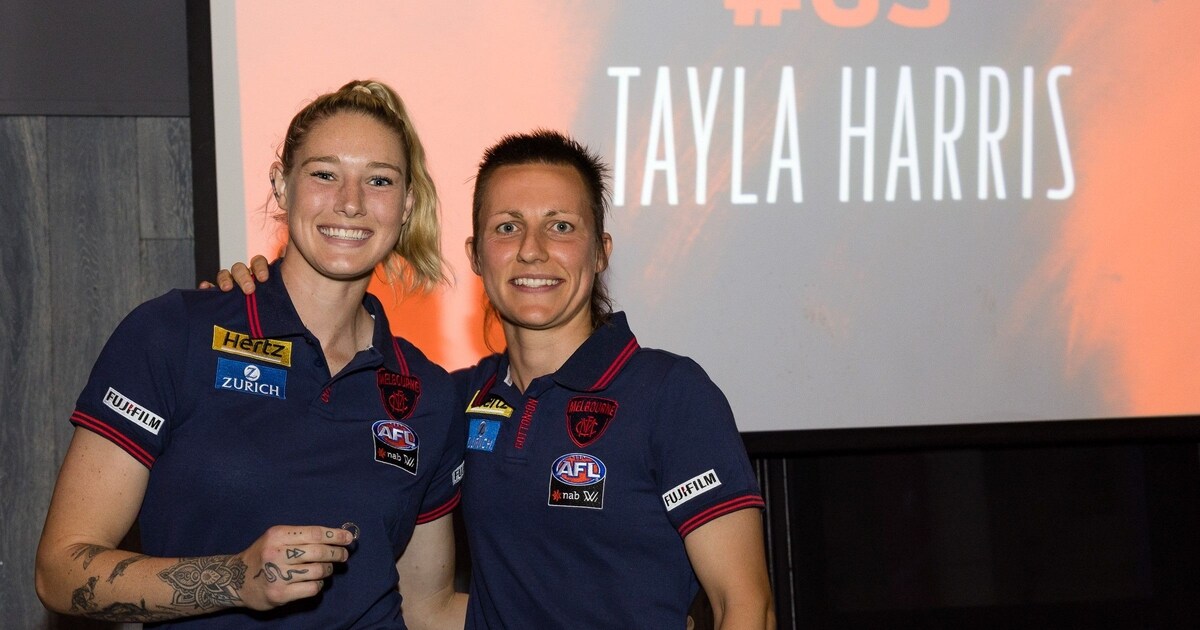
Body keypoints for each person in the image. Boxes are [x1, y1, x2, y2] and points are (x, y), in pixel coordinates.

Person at [220, 130, 776, 628]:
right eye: (507, 227)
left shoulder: (670, 393)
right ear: (477, 256)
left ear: (602, 251)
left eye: (561, 226)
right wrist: (248, 299)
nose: (532, 250)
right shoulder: (451, 401)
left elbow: (744, 606)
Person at [35, 80, 466, 629]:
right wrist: (233, 580)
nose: (351, 202)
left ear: (406, 205)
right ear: (281, 187)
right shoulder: (175, 333)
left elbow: (428, 610)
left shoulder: (427, 393)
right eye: (324, 174)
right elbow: (60, 571)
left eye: (379, 180)